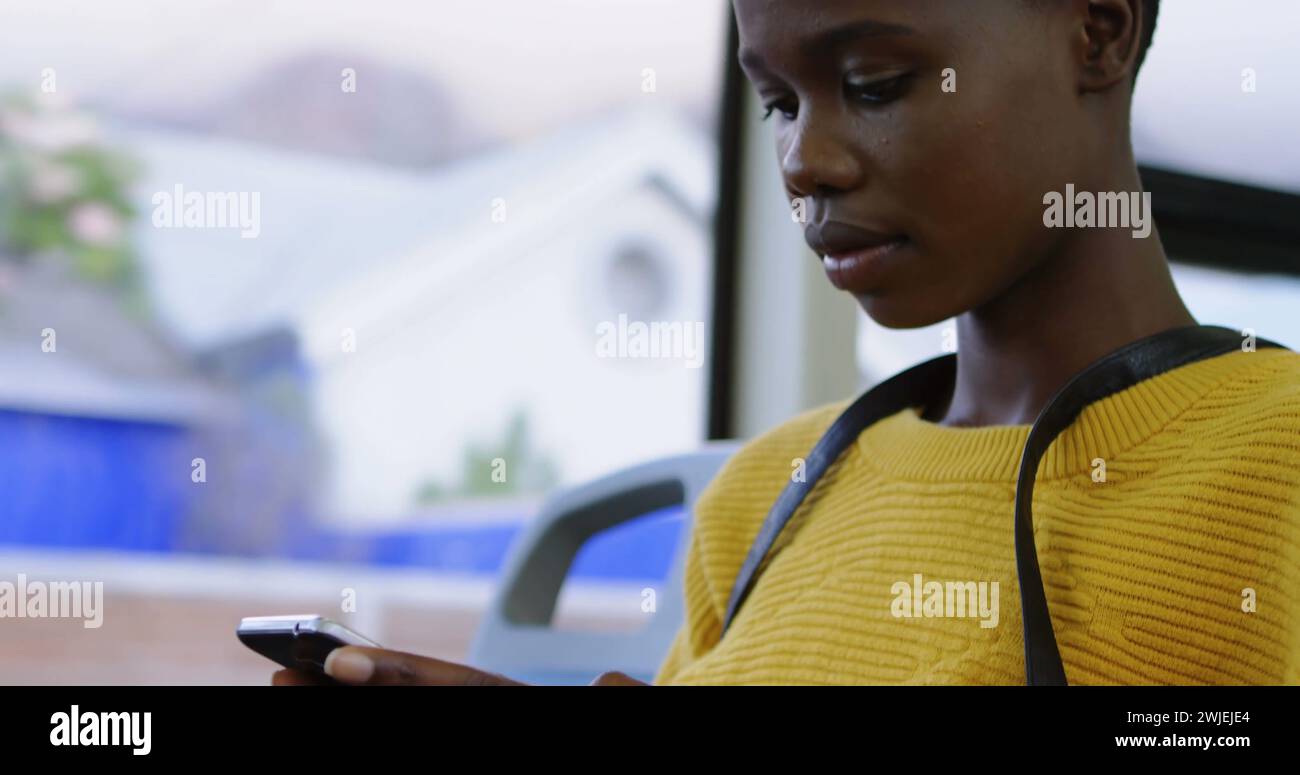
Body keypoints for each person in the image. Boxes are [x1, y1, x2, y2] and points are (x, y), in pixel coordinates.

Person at [274, 0, 1300, 686]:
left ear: (1097, 32)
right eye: (776, 101)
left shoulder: (1277, 464)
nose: (803, 161)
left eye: (876, 83)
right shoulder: (765, 495)